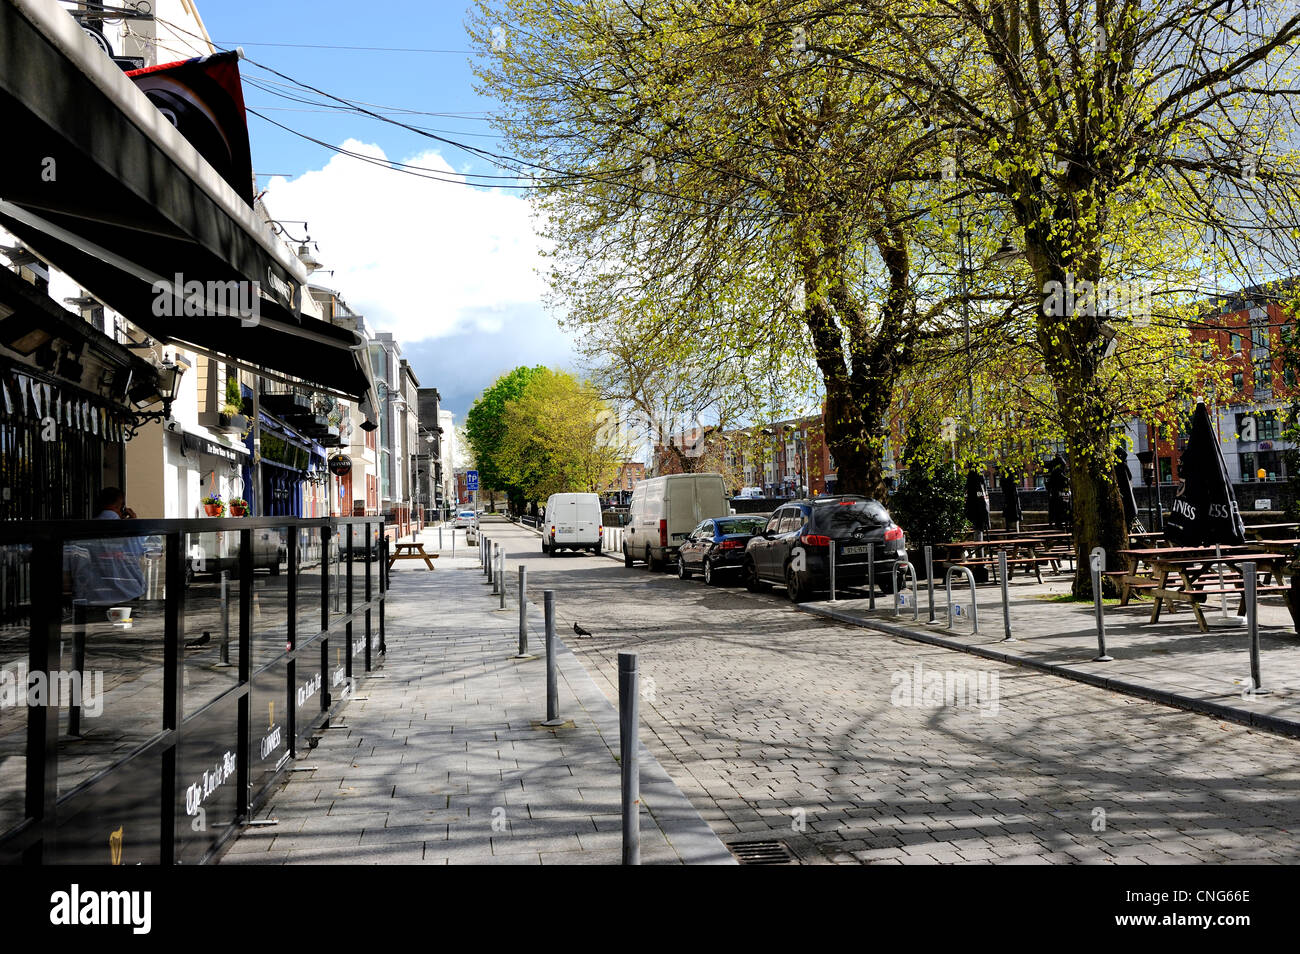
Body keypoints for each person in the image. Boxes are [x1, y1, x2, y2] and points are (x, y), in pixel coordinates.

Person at [65, 487, 149, 607]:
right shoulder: (133, 530)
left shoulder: (80, 531)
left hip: (91, 598)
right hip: (128, 595)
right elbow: (151, 551)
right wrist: (133, 523)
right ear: (122, 506)